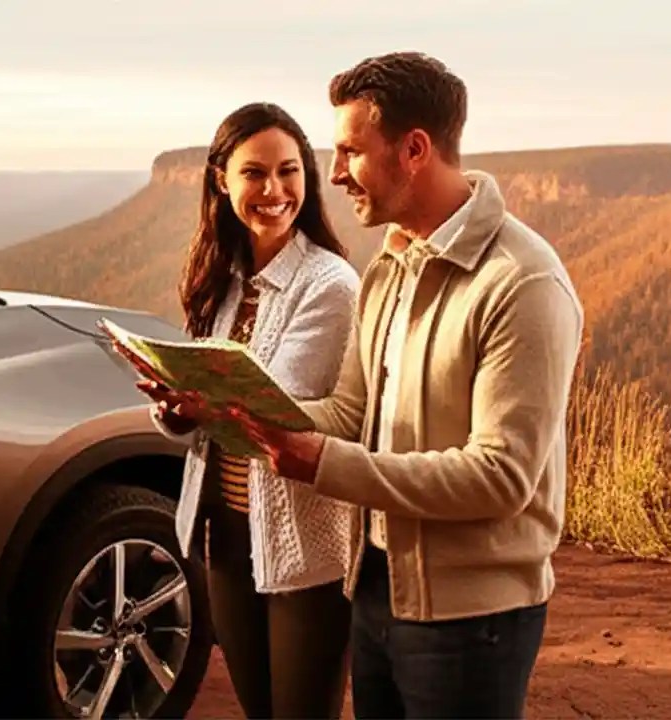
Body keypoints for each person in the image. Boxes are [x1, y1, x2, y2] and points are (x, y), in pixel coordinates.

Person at [217, 53, 586, 718]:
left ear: (414, 149)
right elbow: (348, 411)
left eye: (351, 150)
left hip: (476, 620)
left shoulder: (522, 282)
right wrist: (247, 410)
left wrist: (323, 464)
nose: (333, 174)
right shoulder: (389, 267)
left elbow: (501, 477)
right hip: (377, 591)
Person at [131, 101, 361, 719]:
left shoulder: (329, 283)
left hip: (302, 543)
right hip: (226, 534)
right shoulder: (223, 278)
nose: (274, 190)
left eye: (289, 171)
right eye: (254, 173)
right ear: (220, 180)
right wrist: (174, 410)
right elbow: (212, 417)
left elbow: (276, 403)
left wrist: (200, 398)